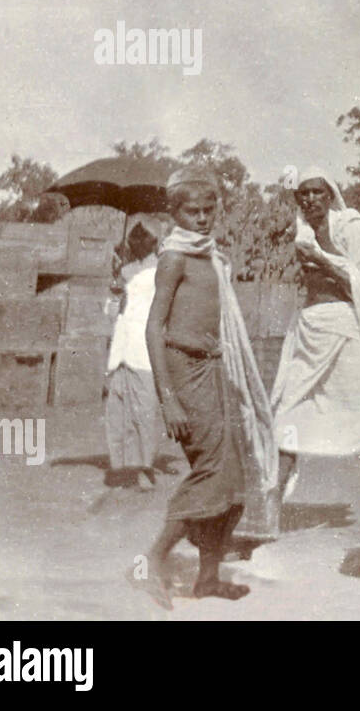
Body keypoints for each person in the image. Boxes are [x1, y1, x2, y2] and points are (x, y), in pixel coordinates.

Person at [130, 167, 276, 608]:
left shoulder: (211, 256)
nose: (202, 218)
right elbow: (154, 329)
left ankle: (208, 578)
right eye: (192, 211)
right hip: (183, 370)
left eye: (209, 210)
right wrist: (168, 398)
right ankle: (153, 559)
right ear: (174, 213)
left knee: (234, 480)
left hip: (213, 368)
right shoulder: (174, 258)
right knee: (213, 470)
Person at [271, 168, 360, 530]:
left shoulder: (350, 230)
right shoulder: (303, 232)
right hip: (310, 328)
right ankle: (272, 504)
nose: (310, 200)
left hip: (345, 326)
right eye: (303, 195)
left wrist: (325, 262)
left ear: (329, 195)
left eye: (316, 193)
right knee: (288, 411)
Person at [104, 216, 165, 490]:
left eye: (145, 238)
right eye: (135, 238)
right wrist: (115, 291)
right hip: (124, 340)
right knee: (120, 405)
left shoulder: (164, 269)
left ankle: (144, 467)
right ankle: (125, 465)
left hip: (147, 342)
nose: (139, 243)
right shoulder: (126, 270)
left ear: (154, 242)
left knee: (144, 406)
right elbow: (120, 306)